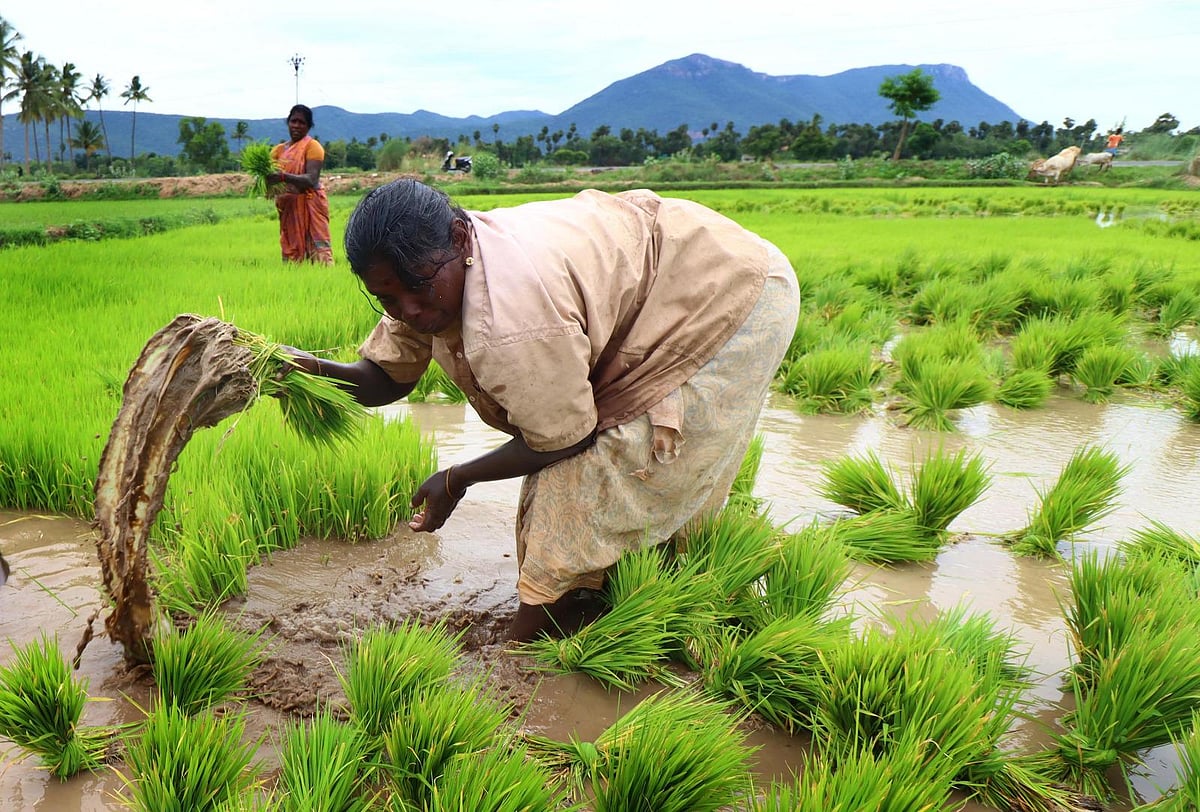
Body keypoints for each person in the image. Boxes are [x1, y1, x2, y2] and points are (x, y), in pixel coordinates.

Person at [286, 179, 800, 641]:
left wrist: (457, 478)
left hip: (725, 289)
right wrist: (295, 368)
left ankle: (536, 645)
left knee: (600, 470)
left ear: (461, 239)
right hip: (653, 269)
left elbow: (565, 439)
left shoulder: (512, 317)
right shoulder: (428, 274)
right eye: (387, 299)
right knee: (588, 476)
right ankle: (605, 602)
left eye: (417, 289)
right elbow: (385, 377)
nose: (410, 312)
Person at [267, 104, 334, 265]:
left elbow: (311, 179)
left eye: (301, 122)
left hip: (311, 205)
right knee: (292, 253)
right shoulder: (278, 151)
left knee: (318, 252)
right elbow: (269, 181)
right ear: (288, 122)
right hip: (288, 207)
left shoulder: (313, 147)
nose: (296, 125)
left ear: (308, 126)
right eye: (293, 121)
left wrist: (283, 177)